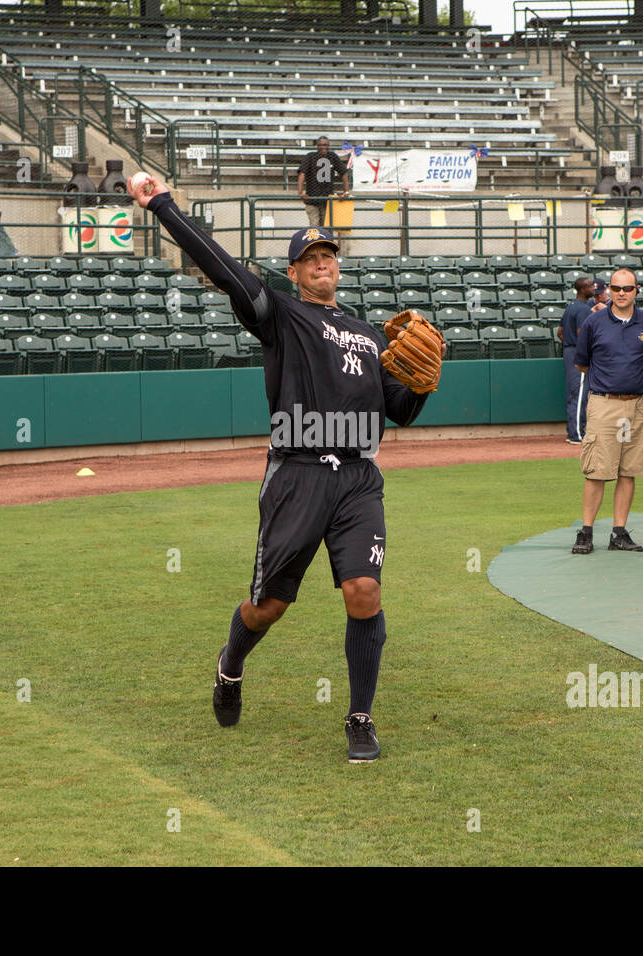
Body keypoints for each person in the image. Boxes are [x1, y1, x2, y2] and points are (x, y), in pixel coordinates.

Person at [128, 172, 437, 763]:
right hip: (295, 474)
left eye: (328, 254)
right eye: (309, 257)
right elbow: (222, 268)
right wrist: (164, 205)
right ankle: (231, 661)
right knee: (269, 605)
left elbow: (399, 410)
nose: (322, 262)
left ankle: (360, 717)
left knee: (363, 591)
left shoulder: (370, 335)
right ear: (293, 272)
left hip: (357, 478)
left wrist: (421, 385)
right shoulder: (281, 318)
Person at [570, 267, 643, 555]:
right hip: (604, 402)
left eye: (627, 289)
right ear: (608, 290)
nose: (621, 294)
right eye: (616, 288)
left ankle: (619, 532)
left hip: (639, 404)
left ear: (636, 291)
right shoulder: (594, 321)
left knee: (628, 470)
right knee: (597, 470)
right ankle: (586, 531)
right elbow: (582, 362)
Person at [559, 275, 597, 444]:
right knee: (580, 395)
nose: (593, 288)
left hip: (569, 351)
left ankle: (574, 432)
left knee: (575, 394)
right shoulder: (582, 309)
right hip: (577, 352)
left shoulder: (571, 307)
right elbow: (582, 334)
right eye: (589, 286)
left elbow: (559, 332)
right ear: (582, 289)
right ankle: (577, 434)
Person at [296, 137, 351, 251]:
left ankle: (325, 252)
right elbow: (302, 174)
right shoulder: (310, 156)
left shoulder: (333, 156)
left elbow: (344, 172)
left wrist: (346, 191)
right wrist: (300, 192)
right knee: (314, 229)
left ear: (329, 145)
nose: (323, 147)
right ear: (317, 146)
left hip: (327, 200)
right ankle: (315, 252)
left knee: (326, 230)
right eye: (321, 145)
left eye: (325, 145)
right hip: (312, 199)